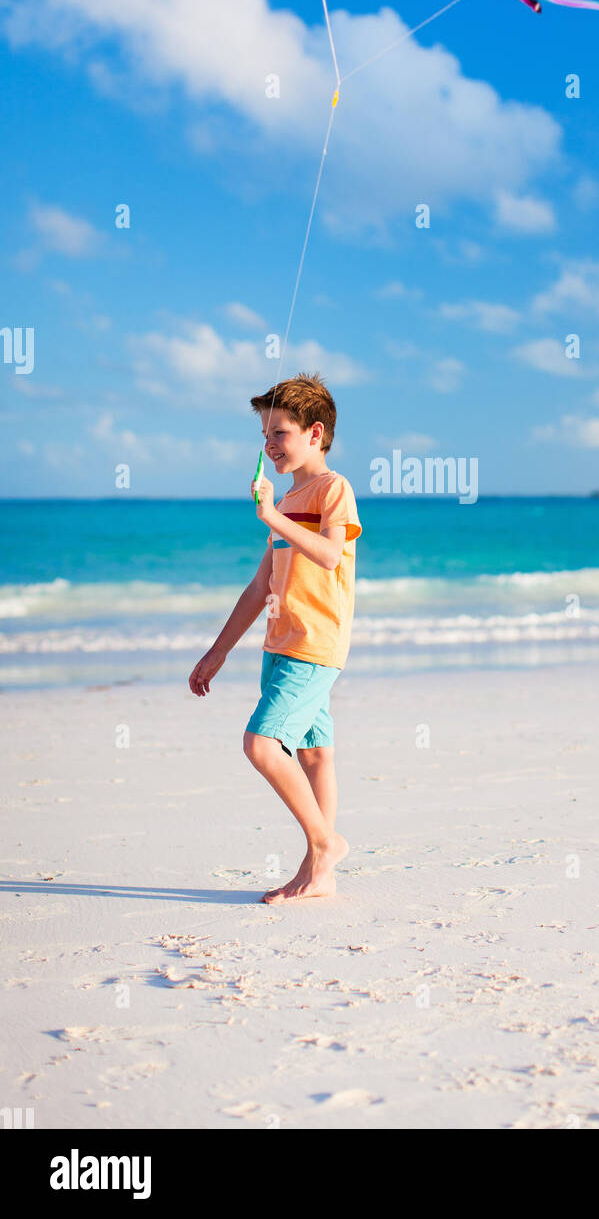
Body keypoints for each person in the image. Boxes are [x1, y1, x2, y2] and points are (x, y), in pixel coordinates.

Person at [189, 372, 361, 902]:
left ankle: (324, 843)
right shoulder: (287, 502)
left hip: (314, 645)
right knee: (314, 755)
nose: (268, 445)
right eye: (264, 435)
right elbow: (260, 584)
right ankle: (319, 874)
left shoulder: (334, 489)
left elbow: (331, 555)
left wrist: (269, 515)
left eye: (279, 433)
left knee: (262, 745)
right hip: (281, 643)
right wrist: (218, 651)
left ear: (315, 433)